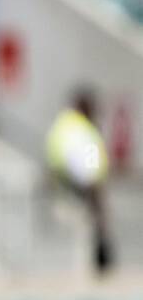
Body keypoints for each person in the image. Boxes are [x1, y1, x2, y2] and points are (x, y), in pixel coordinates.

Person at [46, 88, 113, 274]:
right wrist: (101, 217)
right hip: (79, 201)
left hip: (60, 196)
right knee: (81, 262)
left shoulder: (62, 126)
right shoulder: (85, 134)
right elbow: (90, 176)